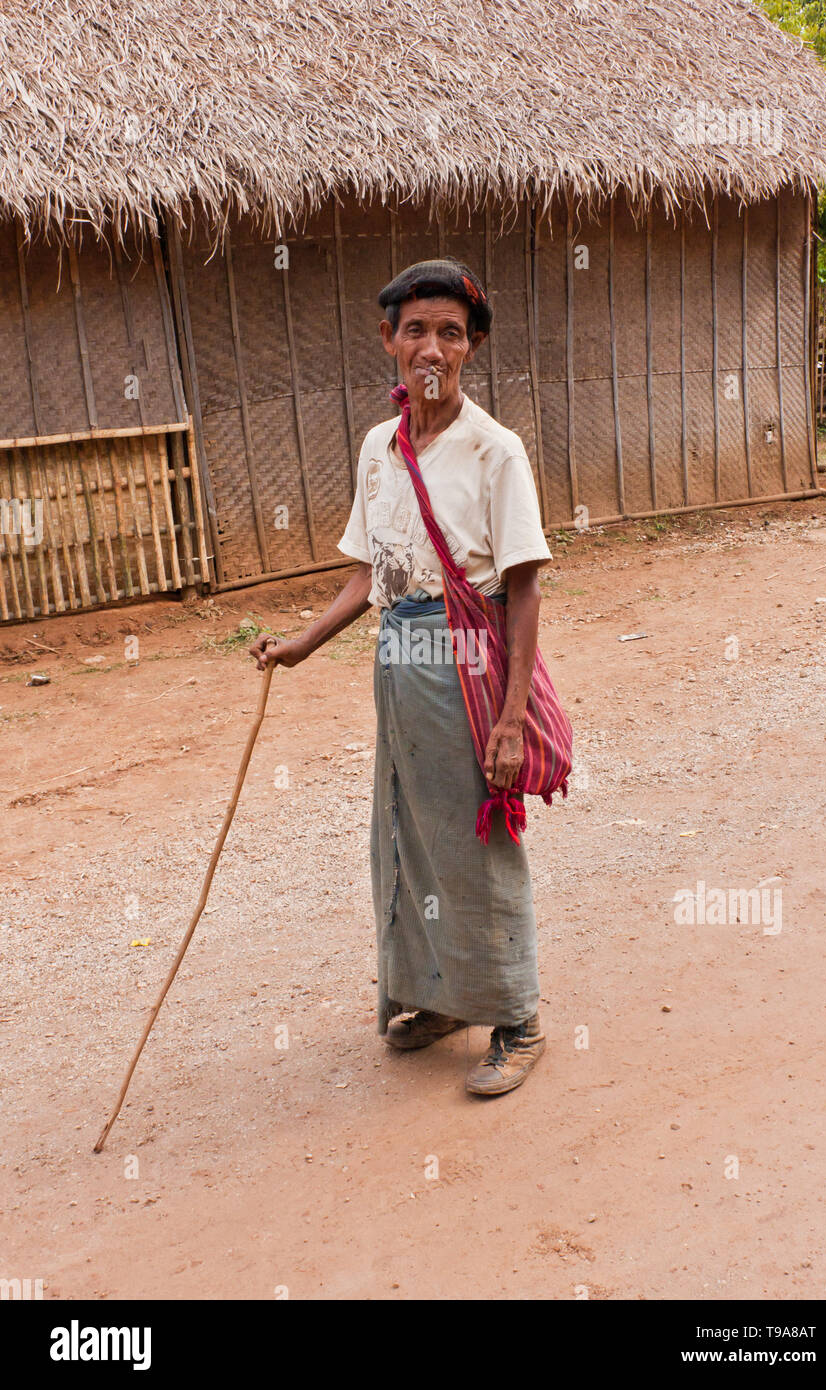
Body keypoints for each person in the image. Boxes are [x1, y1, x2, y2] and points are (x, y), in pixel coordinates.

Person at [250, 257, 552, 1095]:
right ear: (388, 341)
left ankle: (519, 1018)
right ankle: (444, 998)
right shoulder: (379, 447)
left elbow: (523, 585)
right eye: (414, 329)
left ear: (471, 347)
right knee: (407, 841)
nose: (431, 346)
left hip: (468, 665)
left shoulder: (497, 452)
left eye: (449, 332)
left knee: (478, 840)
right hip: (400, 663)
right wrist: (302, 644)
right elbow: (368, 575)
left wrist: (511, 718)